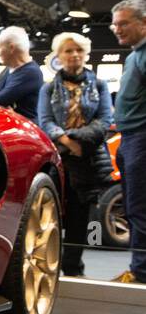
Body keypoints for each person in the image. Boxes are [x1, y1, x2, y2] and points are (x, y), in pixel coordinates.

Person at [36, 31, 113, 277]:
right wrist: (70, 142)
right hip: (60, 158)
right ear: (59, 55)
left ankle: (73, 267)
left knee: (82, 218)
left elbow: (104, 121)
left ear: (86, 54)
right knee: (52, 215)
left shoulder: (100, 85)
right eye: (68, 51)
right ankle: (49, 266)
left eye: (78, 50)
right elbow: (45, 122)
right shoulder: (48, 89)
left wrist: (80, 141)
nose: (74, 55)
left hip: (88, 160)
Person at [109, 0, 146, 284]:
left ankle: (141, 272)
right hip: (130, 138)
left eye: (123, 23)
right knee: (134, 207)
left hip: (141, 140)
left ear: (143, 24)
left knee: (138, 208)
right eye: (114, 24)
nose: (116, 28)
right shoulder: (135, 55)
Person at [0, 25, 43, 121]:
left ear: (11, 47)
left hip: (27, 132)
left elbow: (0, 99)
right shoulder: (7, 70)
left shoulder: (30, 72)